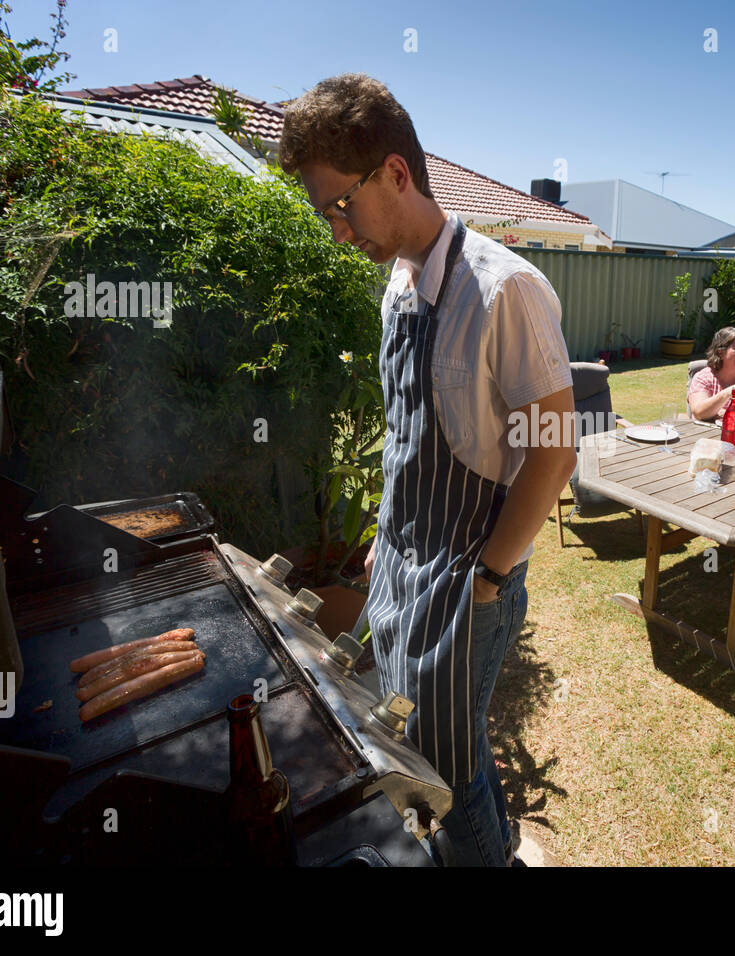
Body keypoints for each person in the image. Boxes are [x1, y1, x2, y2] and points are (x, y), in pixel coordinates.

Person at [280, 74, 577, 866]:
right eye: (324, 214)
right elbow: (408, 429)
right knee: (401, 732)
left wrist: (487, 577)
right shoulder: (399, 284)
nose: (337, 232)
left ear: (396, 174)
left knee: (447, 767)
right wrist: (388, 529)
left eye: (338, 206)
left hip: (466, 577)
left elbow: (554, 450)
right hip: (402, 559)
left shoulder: (504, 287)